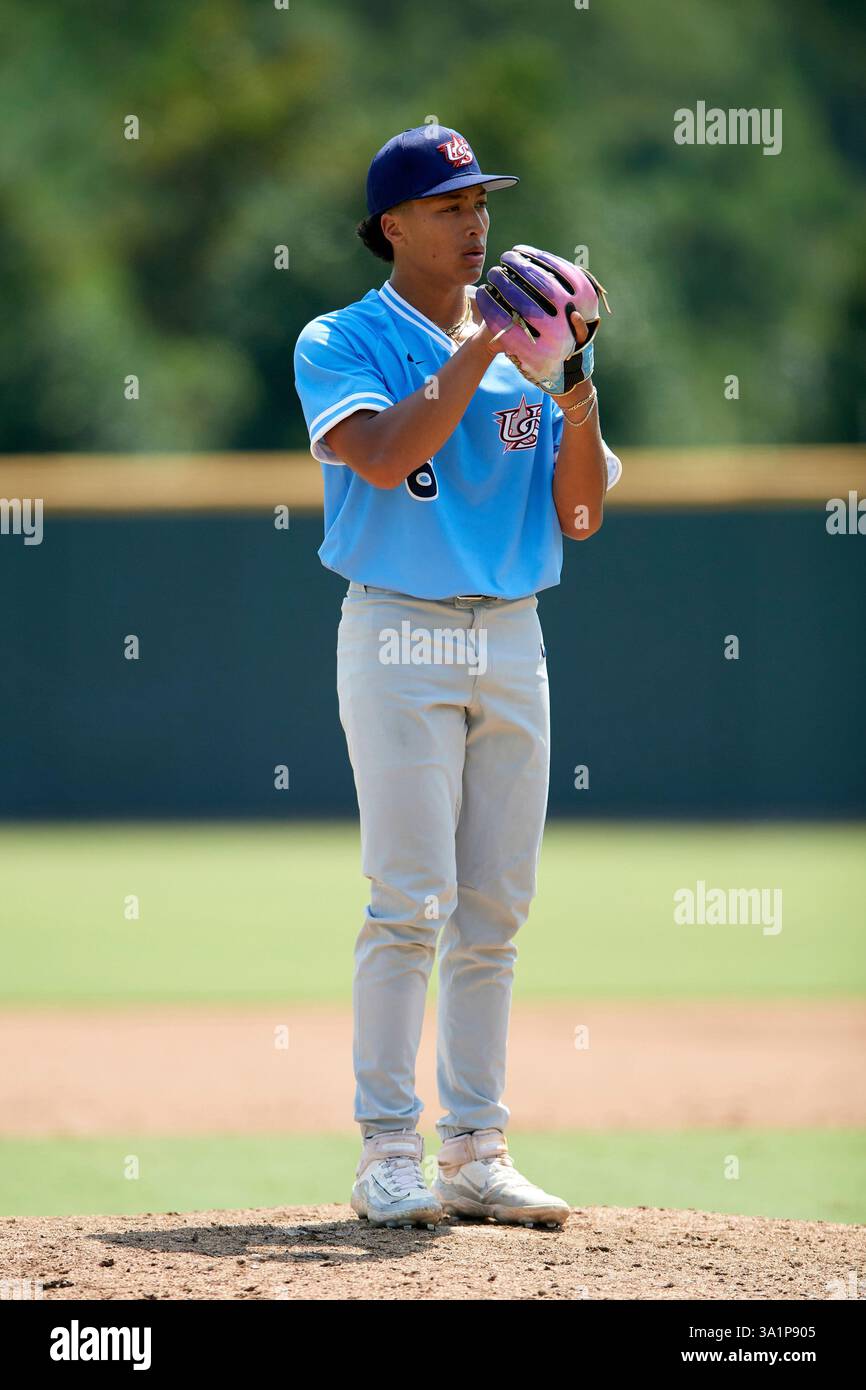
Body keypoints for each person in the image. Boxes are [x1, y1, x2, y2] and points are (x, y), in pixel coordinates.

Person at [293, 123, 622, 1231]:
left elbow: (579, 514)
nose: (476, 222)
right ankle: (387, 1145)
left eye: (480, 201)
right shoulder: (340, 335)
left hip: (512, 632)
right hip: (397, 629)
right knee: (408, 900)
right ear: (392, 225)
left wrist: (570, 378)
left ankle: (475, 1146)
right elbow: (382, 456)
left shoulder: (530, 351)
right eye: (448, 206)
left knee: (494, 906)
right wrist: (481, 355)